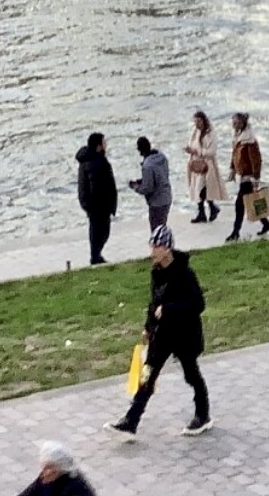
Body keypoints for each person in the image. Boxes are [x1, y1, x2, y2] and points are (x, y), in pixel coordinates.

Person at [109, 225, 211, 437]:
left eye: (156, 246)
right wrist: (148, 327)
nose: (152, 252)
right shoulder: (156, 272)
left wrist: (169, 309)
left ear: (167, 249)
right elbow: (154, 302)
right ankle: (131, 421)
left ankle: (203, 415)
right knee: (147, 375)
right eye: (151, 246)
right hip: (162, 335)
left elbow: (198, 304)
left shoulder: (185, 274)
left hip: (183, 334)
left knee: (191, 375)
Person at [226, 112, 269, 241]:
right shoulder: (238, 138)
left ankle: (235, 232)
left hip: (248, 177)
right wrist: (232, 169)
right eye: (233, 123)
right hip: (243, 176)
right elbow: (234, 155)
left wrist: (255, 178)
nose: (234, 125)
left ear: (242, 123)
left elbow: (256, 160)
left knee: (239, 205)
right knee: (252, 201)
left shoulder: (249, 140)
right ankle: (266, 224)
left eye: (236, 123)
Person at [76, 132, 118, 264]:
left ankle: (96, 255)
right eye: (104, 143)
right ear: (98, 146)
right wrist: (104, 202)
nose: (106, 145)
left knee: (99, 231)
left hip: (94, 204)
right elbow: (97, 186)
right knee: (101, 231)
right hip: (99, 205)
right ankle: (95, 256)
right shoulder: (96, 163)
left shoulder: (89, 161)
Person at [185, 110, 225, 224]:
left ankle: (210, 208)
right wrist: (189, 151)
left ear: (204, 120)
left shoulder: (211, 133)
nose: (197, 124)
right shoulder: (195, 132)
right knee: (197, 189)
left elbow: (212, 151)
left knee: (201, 188)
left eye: (199, 121)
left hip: (207, 165)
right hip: (196, 165)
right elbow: (192, 145)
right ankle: (204, 211)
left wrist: (197, 151)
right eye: (195, 121)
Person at [127, 135, 172, 235]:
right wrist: (143, 180)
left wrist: (135, 187)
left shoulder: (147, 166)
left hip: (157, 202)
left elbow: (147, 188)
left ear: (139, 150)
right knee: (162, 229)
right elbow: (161, 176)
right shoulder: (161, 157)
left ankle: (160, 245)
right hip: (167, 197)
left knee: (156, 232)